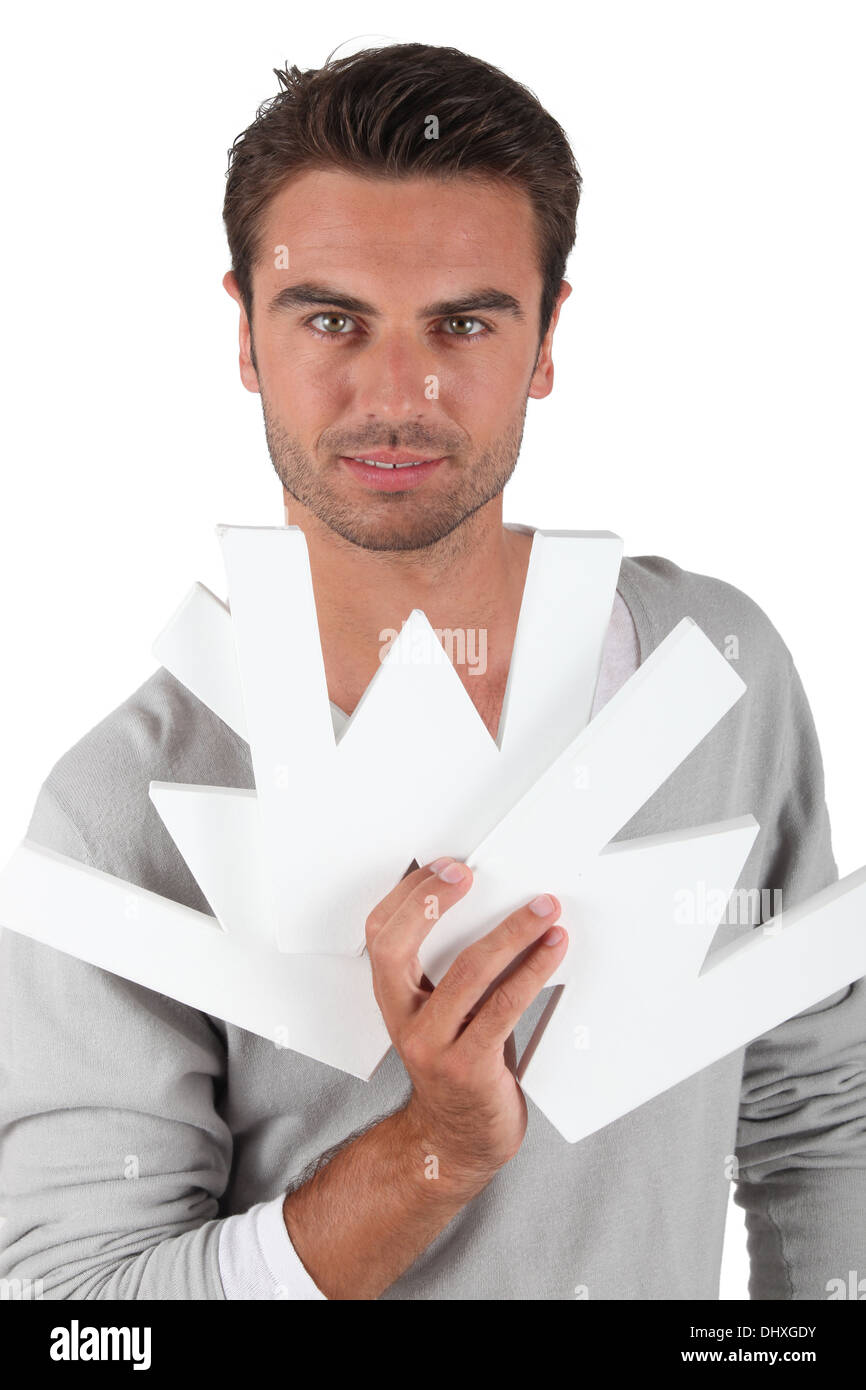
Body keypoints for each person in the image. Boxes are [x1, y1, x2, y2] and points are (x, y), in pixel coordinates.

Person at [1, 42, 864, 1302]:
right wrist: (432, 1155)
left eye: (461, 322)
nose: (396, 394)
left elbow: (816, 1114)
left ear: (547, 337)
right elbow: (78, 1328)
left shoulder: (714, 671)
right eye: (331, 319)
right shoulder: (121, 811)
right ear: (244, 334)